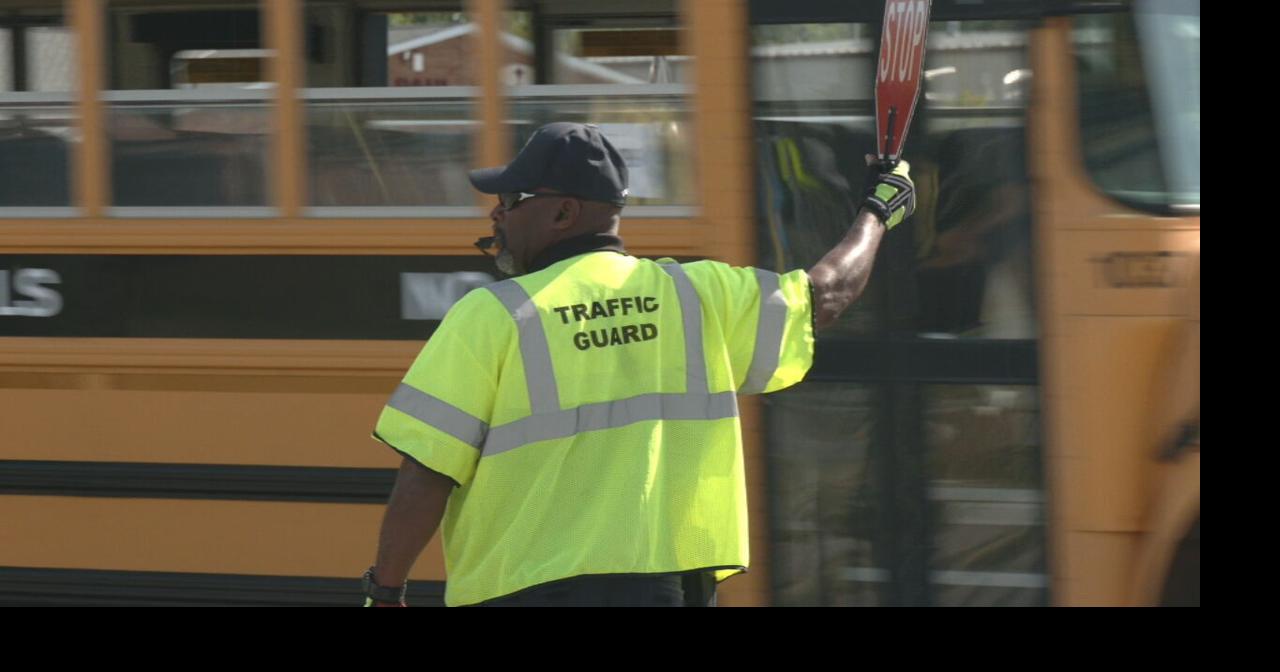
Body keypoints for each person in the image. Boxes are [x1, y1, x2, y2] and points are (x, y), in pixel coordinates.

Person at [361, 122, 915, 607]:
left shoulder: (493, 315)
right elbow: (827, 293)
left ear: (562, 211)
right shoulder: (698, 294)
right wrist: (878, 210)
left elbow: (428, 472)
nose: (496, 214)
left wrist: (385, 590)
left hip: (526, 588)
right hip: (668, 588)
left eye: (511, 200)